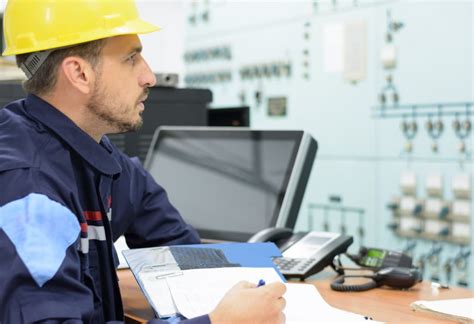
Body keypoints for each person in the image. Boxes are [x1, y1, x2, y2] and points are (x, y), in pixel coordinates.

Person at [0, 0, 286, 323]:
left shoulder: (94, 157)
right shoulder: (28, 189)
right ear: (79, 73)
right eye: (131, 58)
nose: (149, 76)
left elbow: (185, 251)